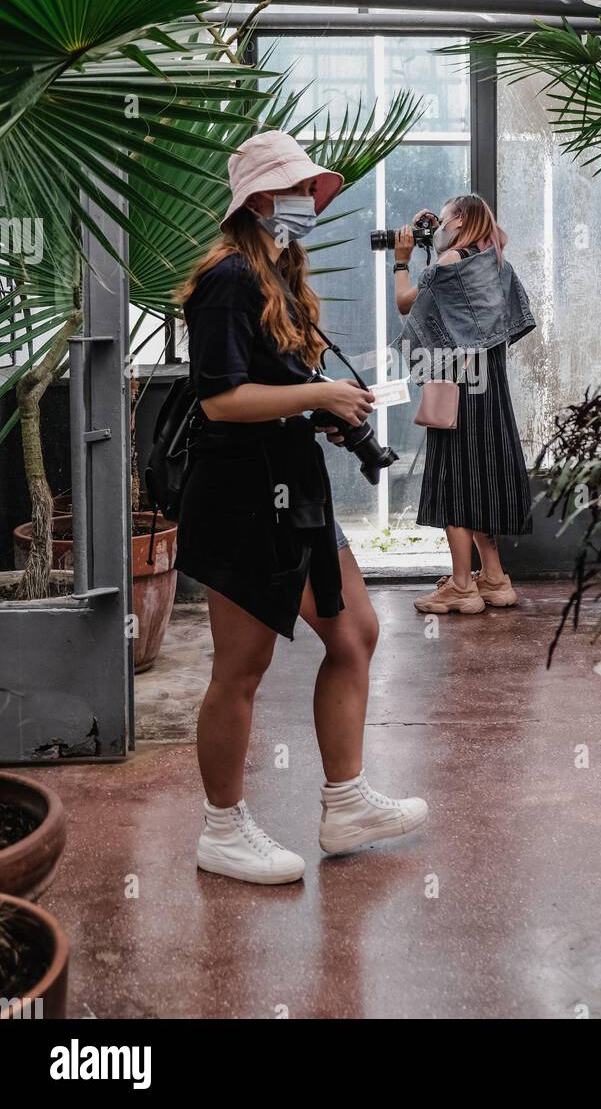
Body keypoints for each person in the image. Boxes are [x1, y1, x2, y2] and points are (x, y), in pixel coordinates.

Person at [174, 131, 427, 885]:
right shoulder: (226, 279)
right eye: (295, 192)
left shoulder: (277, 278)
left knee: (355, 631)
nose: (309, 204)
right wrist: (319, 393)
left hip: (293, 482)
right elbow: (220, 401)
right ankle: (221, 830)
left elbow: (267, 392)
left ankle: (345, 801)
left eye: (311, 191)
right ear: (257, 201)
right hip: (242, 494)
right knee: (241, 667)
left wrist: (321, 411)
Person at [392, 194, 535, 615]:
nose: (440, 227)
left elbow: (408, 303)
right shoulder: (495, 265)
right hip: (489, 389)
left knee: (454, 479)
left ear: (458, 222)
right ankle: (493, 578)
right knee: (482, 478)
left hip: (457, 389)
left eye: (445, 218)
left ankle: (460, 586)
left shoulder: (451, 261)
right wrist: (428, 245)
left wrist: (402, 260)